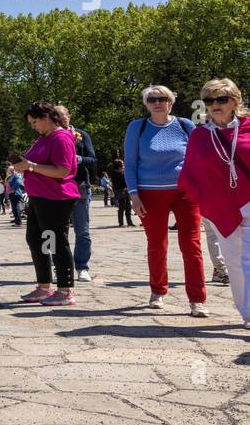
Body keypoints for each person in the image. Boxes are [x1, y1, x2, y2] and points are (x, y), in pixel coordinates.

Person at [123, 84, 205, 315]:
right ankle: (158, 291)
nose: (157, 102)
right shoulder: (137, 128)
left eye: (162, 98)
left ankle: (197, 299)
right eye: (151, 99)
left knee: (191, 245)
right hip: (149, 193)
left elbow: (199, 160)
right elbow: (130, 164)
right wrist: (134, 195)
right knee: (157, 244)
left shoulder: (185, 125)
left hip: (185, 193)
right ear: (146, 104)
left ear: (171, 102)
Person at [179, 79, 249, 325]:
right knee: (233, 261)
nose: (215, 105)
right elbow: (190, 173)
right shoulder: (200, 135)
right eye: (210, 100)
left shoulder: (249, 128)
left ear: (234, 101)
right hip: (221, 205)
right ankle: (246, 311)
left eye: (221, 99)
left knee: (248, 259)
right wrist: (205, 201)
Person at [11, 102, 78, 305]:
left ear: (46, 117)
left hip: (55, 198)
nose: (33, 126)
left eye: (34, 122)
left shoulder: (61, 138)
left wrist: (31, 167)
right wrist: (22, 166)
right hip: (39, 197)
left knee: (55, 242)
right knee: (35, 240)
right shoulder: (43, 138)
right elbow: (35, 164)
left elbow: (62, 171)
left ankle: (65, 290)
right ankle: (43, 286)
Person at [56, 106, 97, 283]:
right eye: (55, 116)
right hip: (56, 189)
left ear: (69, 117)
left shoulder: (81, 135)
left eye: (62, 116)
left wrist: (78, 159)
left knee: (82, 231)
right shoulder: (50, 137)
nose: (60, 119)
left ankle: (82, 267)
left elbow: (93, 159)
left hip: (79, 187)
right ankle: (57, 265)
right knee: (56, 231)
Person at [107, 159, 133, 227]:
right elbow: (122, 181)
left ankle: (129, 222)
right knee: (122, 207)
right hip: (121, 191)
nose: (123, 165)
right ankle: (121, 223)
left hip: (124, 191)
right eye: (122, 164)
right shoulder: (116, 173)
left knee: (128, 207)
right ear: (119, 165)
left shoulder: (119, 172)